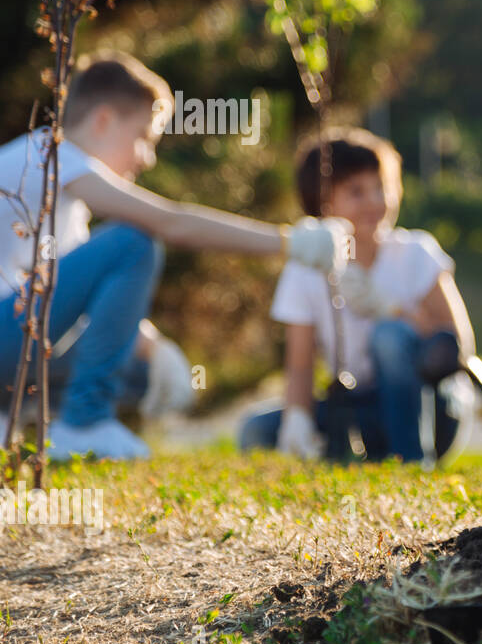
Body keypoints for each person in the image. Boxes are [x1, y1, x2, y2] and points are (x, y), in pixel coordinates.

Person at [0, 52, 345, 461]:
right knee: (134, 242)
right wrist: (291, 243)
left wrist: (157, 348)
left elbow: (78, 305)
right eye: (144, 136)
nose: (148, 157)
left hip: (13, 335)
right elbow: (171, 222)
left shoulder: (62, 197)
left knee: (142, 372)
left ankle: (10, 416)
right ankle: (84, 423)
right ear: (104, 120)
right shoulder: (51, 155)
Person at [237, 127, 476, 464]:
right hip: (361, 408)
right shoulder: (306, 269)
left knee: (389, 337)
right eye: (357, 192)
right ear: (323, 203)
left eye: (382, 187)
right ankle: (360, 457)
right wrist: (297, 418)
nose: (375, 202)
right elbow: (301, 365)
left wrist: (392, 311)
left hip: (432, 408)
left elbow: (457, 344)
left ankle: (411, 462)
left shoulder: (417, 252)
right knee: (257, 431)